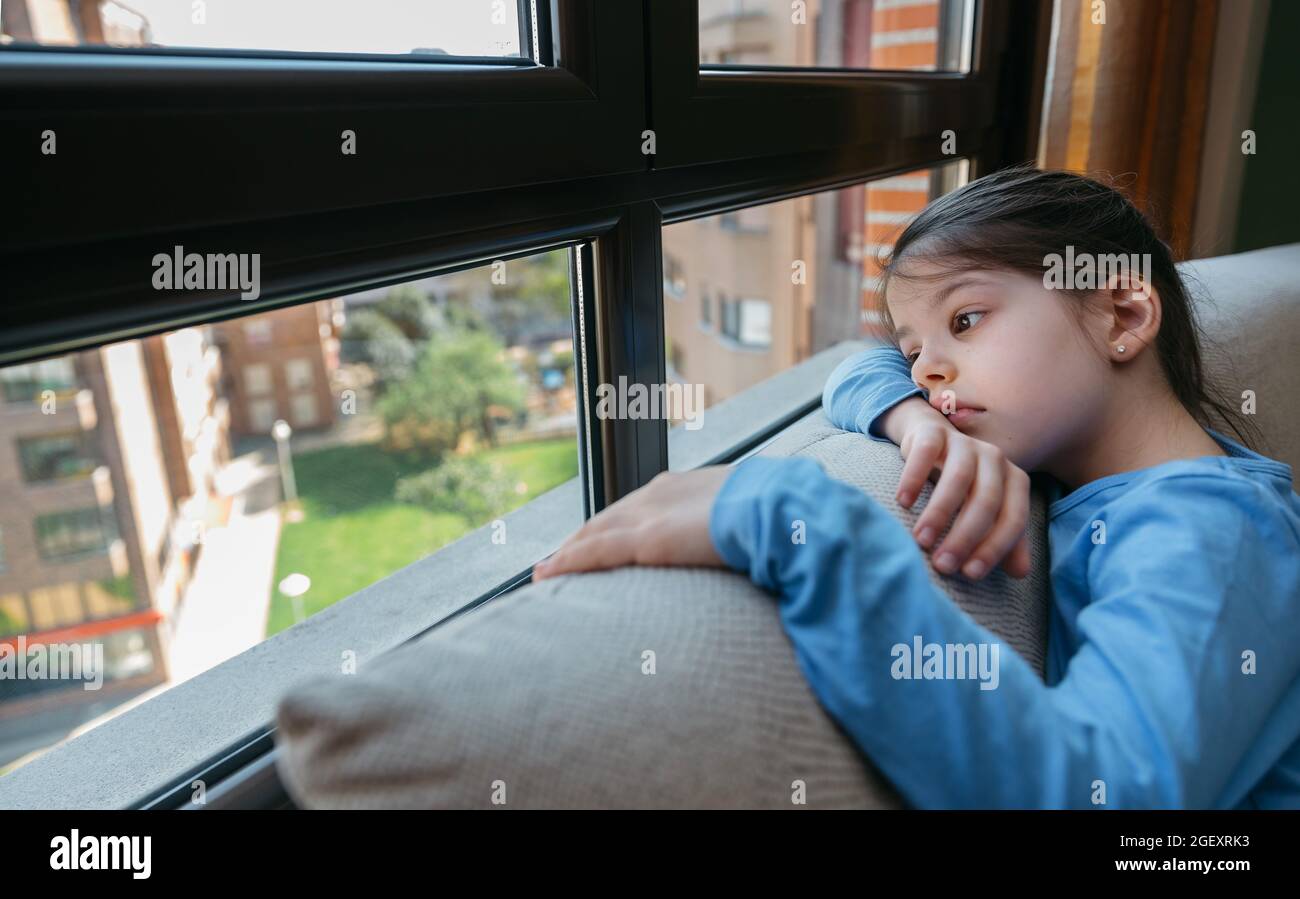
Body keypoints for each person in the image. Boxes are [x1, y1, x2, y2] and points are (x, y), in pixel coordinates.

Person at [532, 167, 1300, 809]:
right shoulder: (1124, 473)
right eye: (917, 350)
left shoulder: (1209, 532)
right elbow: (859, 364)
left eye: (965, 320)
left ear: (1123, 312)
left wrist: (801, 526)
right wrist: (908, 416)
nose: (929, 371)